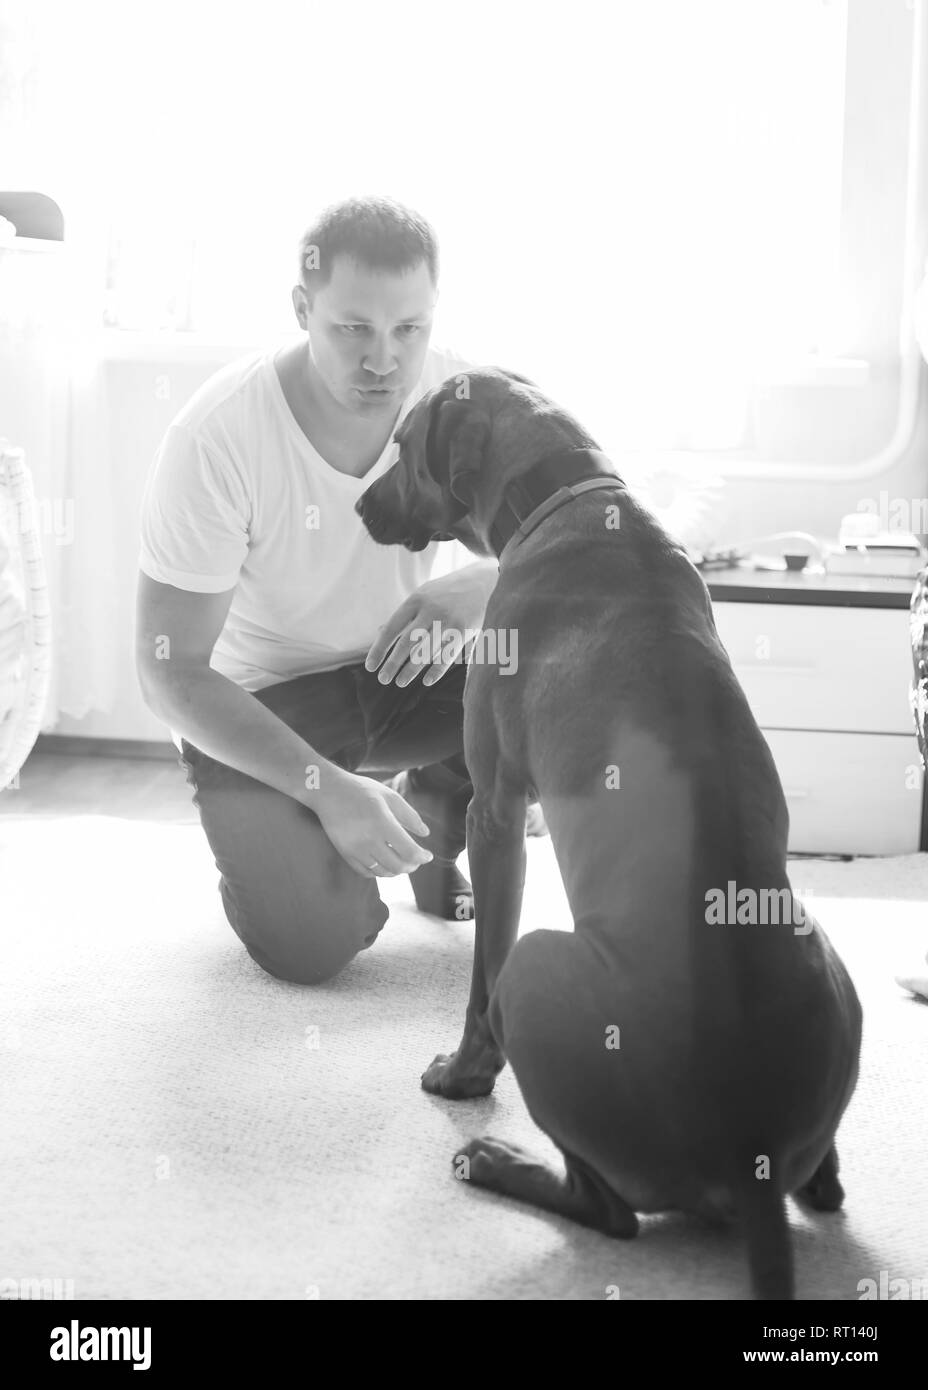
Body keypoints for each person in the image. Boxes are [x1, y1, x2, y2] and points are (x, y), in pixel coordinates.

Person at [135, 195, 543, 986]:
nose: (384, 360)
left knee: (543, 656)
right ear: (302, 308)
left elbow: (590, 533)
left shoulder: (466, 398)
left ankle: (431, 826)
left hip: (407, 675)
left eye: (409, 330)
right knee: (312, 948)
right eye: (353, 329)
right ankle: (359, 831)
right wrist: (325, 789)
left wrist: (490, 580)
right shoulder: (218, 434)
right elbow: (168, 670)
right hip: (268, 706)